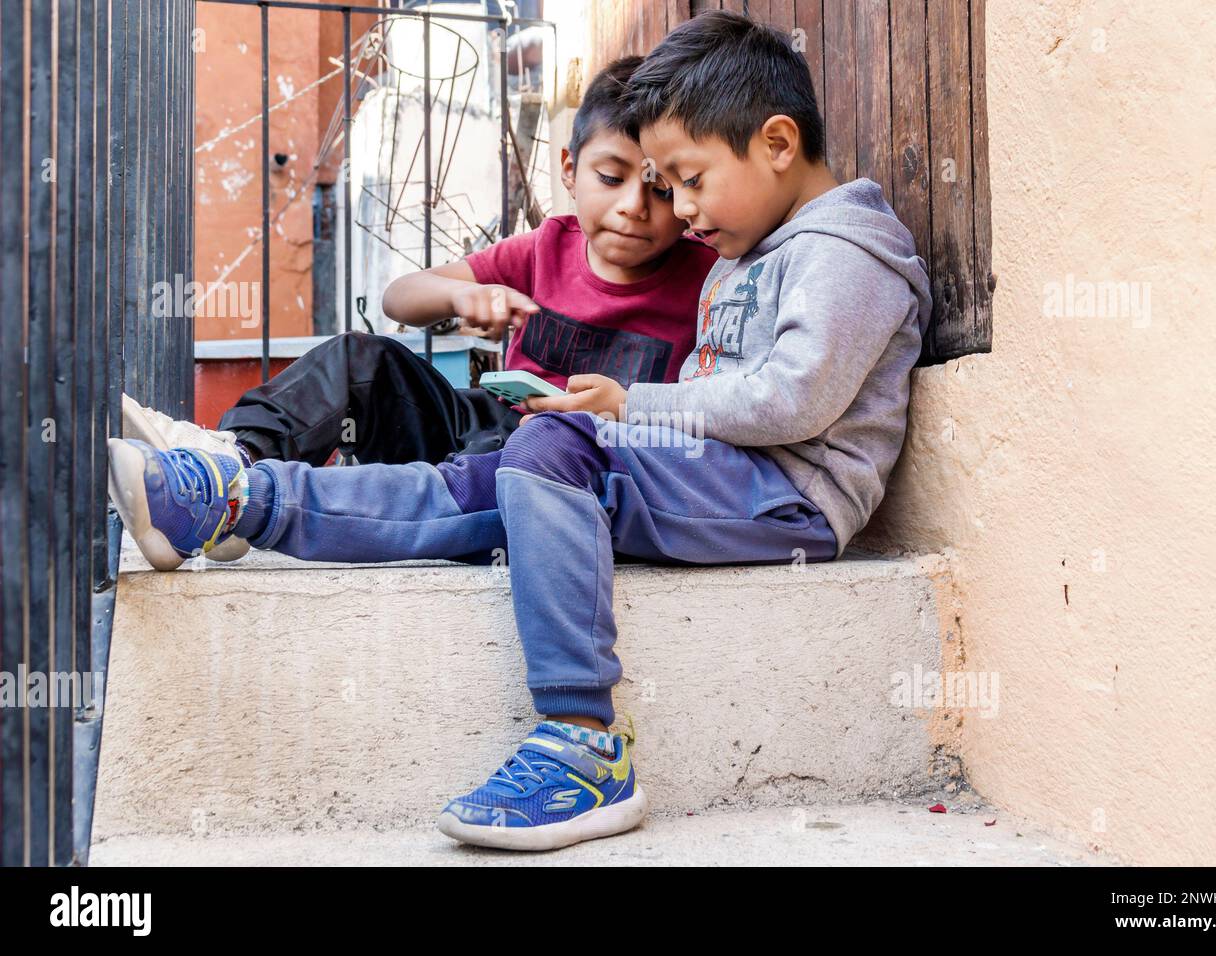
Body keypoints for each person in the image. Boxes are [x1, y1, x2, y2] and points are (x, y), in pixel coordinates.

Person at [106, 10, 932, 852]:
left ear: (778, 143)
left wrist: (624, 411)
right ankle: (238, 498)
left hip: (787, 500)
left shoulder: (846, 250)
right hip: (710, 477)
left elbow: (792, 402)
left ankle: (585, 743)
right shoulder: (745, 248)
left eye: (686, 180)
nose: (679, 209)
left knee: (549, 453)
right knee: (493, 473)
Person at [119, 54, 715, 562]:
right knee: (362, 359)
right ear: (569, 168)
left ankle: (242, 499)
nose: (636, 206)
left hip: (567, 465)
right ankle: (233, 460)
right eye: (611, 177)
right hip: (478, 427)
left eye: (662, 188)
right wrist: (461, 296)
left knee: (508, 459)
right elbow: (398, 296)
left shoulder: (704, 275)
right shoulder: (546, 246)